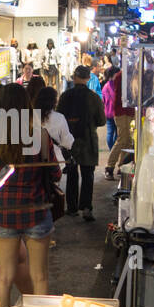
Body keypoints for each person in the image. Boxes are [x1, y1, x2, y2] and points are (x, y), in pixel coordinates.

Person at [0, 83, 58, 307]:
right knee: (40, 277)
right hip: (37, 210)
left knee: (3, 277)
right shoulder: (41, 136)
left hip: (5, 213)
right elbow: (55, 174)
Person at [57, 65, 106, 221]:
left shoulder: (65, 96)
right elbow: (102, 120)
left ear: (74, 77)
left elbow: (59, 118)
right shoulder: (94, 98)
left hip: (69, 140)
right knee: (88, 175)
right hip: (88, 140)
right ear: (87, 78)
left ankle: (71, 208)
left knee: (71, 173)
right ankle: (86, 208)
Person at [104, 69, 135, 181]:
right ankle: (109, 167)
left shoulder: (132, 74)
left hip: (130, 111)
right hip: (121, 111)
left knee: (127, 140)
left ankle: (122, 166)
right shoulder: (121, 75)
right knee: (122, 139)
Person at [35, 86, 73, 164]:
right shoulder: (59, 118)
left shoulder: (30, 117)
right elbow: (68, 143)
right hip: (55, 161)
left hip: (34, 162)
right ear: (54, 101)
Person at [101, 66, 118, 151]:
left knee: (110, 132)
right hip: (114, 112)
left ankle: (111, 149)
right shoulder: (112, 85)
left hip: (107, 112)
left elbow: (103, 100)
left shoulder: (105, 86)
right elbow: (115, 97)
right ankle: (113, 149)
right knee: (116, 132)